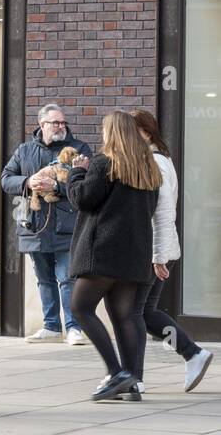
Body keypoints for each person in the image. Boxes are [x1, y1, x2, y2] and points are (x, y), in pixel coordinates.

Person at [65, 111, 163, 402]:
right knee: (124, 316)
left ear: (113, 134)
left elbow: (83, 199)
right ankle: (132, 384)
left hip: (102, 253)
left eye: (105, 130)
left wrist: (76, 173)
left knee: (80, 308)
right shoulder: (149, 169)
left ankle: (116, 371)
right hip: (134, 255)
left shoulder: (104, 162)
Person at [130, 110, 212, 392]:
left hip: (155, 252)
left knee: (134, 313)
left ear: (146, 133)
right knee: (143, 313)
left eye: (132, 131)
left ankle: (135, 379)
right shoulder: (154, 160)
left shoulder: (156, 163)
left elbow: (163, 213)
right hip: (156, 251)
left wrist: (157, 257)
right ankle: (193, 354)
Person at [1, 103, 92, 345]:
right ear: (42, 125)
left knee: (67, 277)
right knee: (44, 279)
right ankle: (51, 326)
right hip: (35, 227)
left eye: (63, 122)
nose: (62, 126)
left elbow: (88, 185)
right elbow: (6, 180)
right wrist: (29, 181)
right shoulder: (25, 150)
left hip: (67, 226)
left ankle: (73, 328)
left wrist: (57, 187)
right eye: (56, 123)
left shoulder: (79, 149)